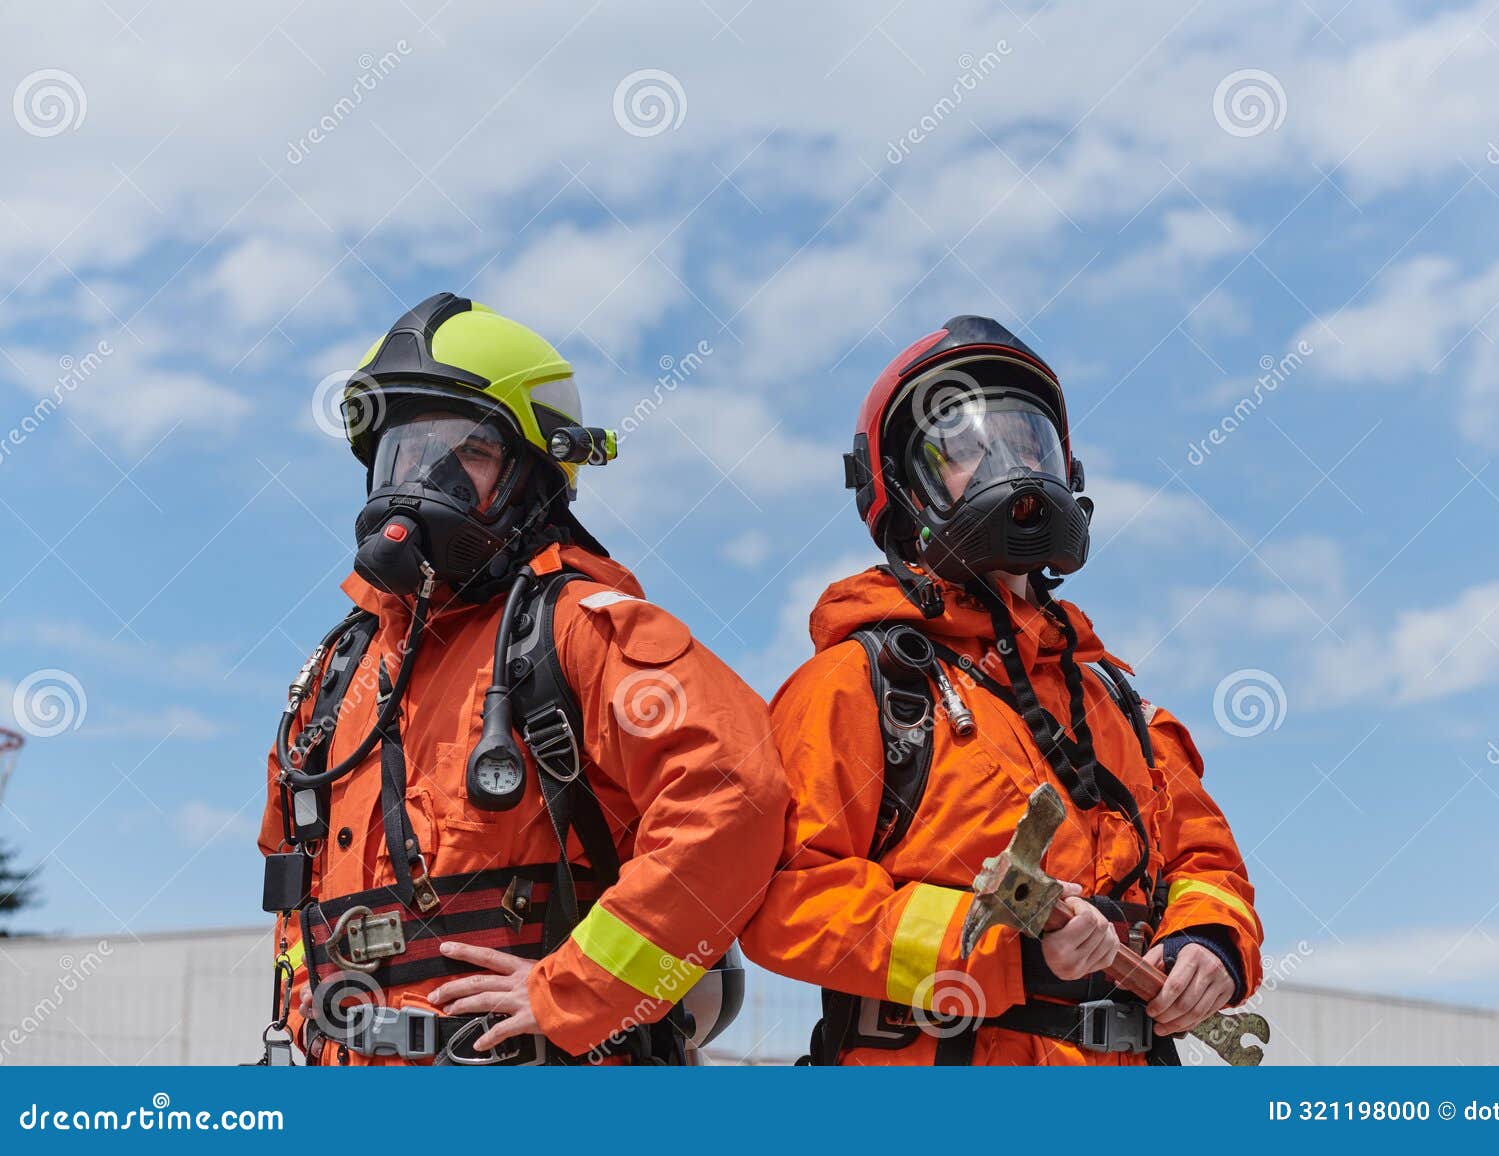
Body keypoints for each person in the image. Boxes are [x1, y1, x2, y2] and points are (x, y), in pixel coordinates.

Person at [256, 293, 787, 1066]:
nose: (421, 477)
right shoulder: (336, 678)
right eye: (400, 451)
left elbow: (736, 799)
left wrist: (581, 990)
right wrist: (309, 1016)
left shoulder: (578, 630)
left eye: (463, 451)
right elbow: (290, 889)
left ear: (535, 473)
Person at [741, 316, 1263, 1065]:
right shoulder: (856, 687)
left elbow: (1208, 865)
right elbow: (784, 902)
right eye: (962, 447)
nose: (1007, 465)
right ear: (903, 488)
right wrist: (999, 950)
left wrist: (1209, 942)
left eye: (1028, 443)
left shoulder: (1119, 707)